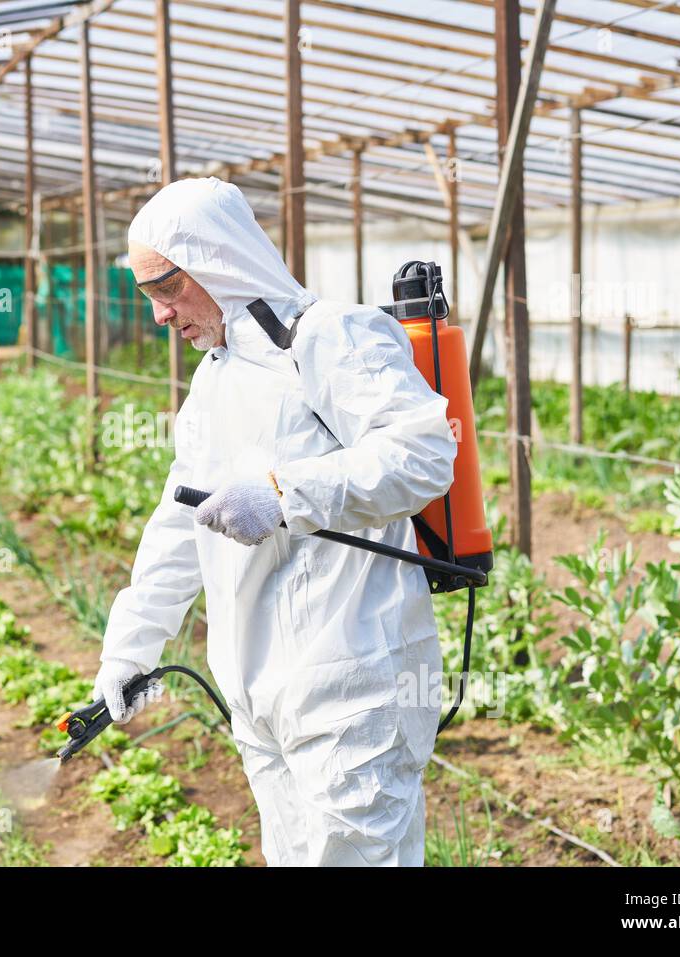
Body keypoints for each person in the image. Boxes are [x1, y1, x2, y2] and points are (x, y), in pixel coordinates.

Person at [91, 177, 458, 866]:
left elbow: (424, 451)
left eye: (168, 289)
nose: (162, 315)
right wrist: (129, 648)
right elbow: (179, 524)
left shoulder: (330, 339)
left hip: (353, 687)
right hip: (258, 699)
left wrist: (284, 493)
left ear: (216, 260)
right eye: (150, 297)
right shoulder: (213, 382)